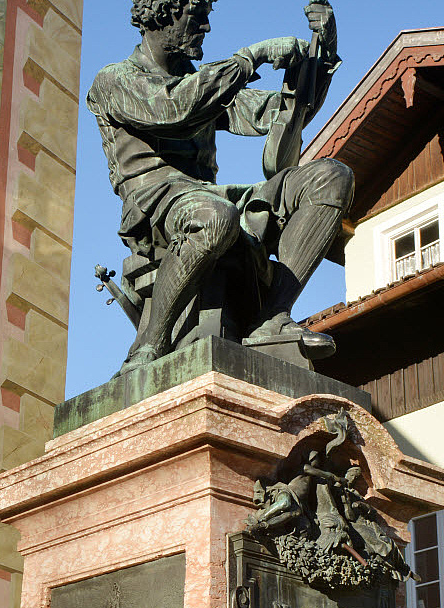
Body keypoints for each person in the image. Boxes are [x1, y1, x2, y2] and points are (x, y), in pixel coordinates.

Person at [87, 0, 351, 373]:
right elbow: (173, 109)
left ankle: (272, 317)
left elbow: (280, 111)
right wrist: (250, 58)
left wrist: (319, 59)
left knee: (331, 177)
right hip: (155, 207)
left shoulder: (204, 83)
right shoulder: (114, 80)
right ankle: (150, 343)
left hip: (210, 198)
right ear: (163, 15)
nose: (206, 29)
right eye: (197, 18)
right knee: (215, 217)